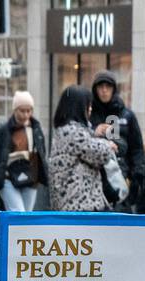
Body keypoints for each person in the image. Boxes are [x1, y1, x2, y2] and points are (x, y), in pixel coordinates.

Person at [48, 85, 117, 214]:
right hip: (78, 203)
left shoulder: (64, 130)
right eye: (88, 105)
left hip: (69, 202)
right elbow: (99, 154)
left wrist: (95, 134)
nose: (90, 109)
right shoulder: (73, 132)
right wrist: (109, 145)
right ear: (79, 107)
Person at [0, 90, 48, 214]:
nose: (26, 114)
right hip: (8, 177)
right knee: (18, 213)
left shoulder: (36, 129)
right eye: (22, 110)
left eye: (29, 110)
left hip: (30, 178)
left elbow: (41, 151)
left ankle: (18, 233)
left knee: (25, 217)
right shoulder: (1, 131)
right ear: (15, 110)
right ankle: (14, 233)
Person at [89, 70, 143, 206]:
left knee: (121, 222)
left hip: (120, 176)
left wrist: (135, 177)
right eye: (100, 87)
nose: (104, 91)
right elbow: (78, 141)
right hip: (94, 178)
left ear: (114, 89)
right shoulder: (88, 114)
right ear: (95, 90)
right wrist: (94, 132)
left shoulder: (127, 115)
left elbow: (137, 149)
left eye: (108, 87)